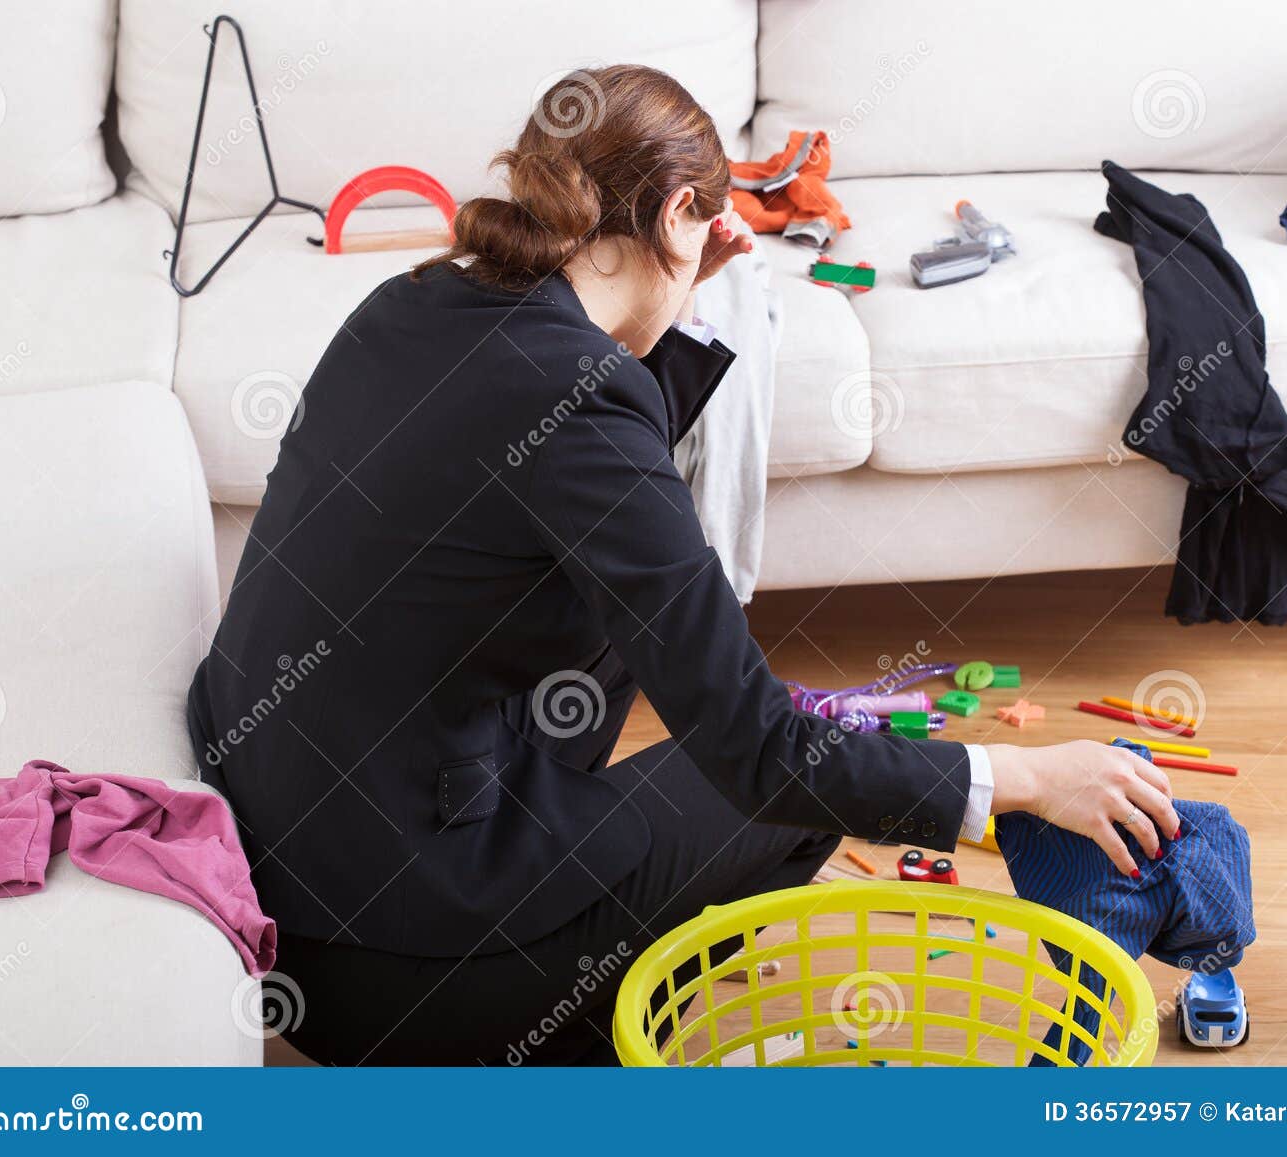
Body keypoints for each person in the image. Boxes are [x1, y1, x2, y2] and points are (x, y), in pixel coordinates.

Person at [186, 64, 1180, 1066]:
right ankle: (546, 1022)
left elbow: (570, 471)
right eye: (703, 228)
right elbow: (757, 743)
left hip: (287, 853)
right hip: (383, 971)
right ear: (676, 214)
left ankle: (553, 951)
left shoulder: (415, 301)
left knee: (626, 627)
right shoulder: (579, 404)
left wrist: (674, 303)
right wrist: (1022, 777)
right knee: (789, 776)